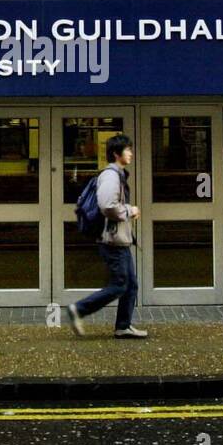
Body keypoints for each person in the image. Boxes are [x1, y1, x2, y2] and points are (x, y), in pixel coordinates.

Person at [67, 133, 148, 339]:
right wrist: (130, 210)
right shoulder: (111, 176)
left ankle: (123, 326)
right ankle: (79, 309)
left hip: (118, 239)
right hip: (111, 240)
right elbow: (107, 205)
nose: (130, 153)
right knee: (120, 284)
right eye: (127, 149)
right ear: (115, 153)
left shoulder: (117, 174)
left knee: (131, 284)